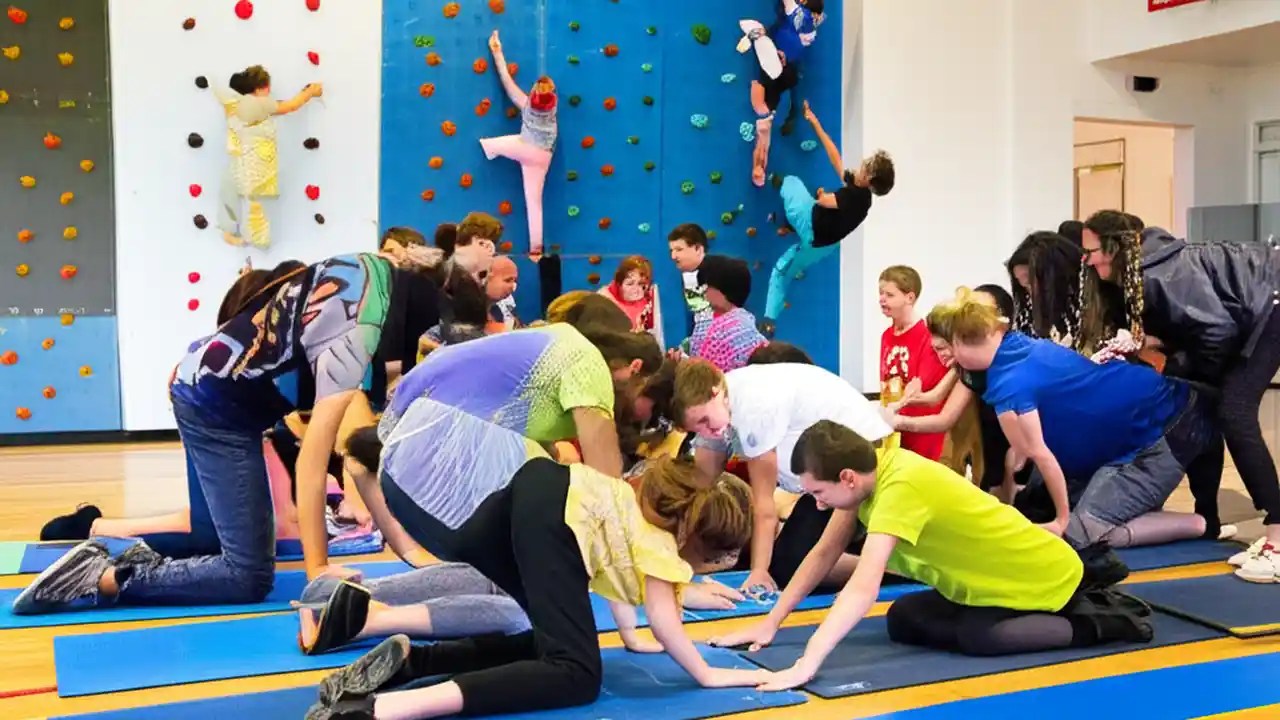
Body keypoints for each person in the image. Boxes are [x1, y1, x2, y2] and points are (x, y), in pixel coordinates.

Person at [17, 249, 450, 614]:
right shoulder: (356, 338)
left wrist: (411, 554)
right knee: (249, 576)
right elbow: (312, 464)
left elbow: (359, 462)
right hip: (217, 408)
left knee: (210, 537)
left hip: (204, 390)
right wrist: (318, 571)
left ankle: (99, 542)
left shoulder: (367, 286)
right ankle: (102, 578)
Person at [304, 456, 765, 718]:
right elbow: (666, 623)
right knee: (577, 675)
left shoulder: (638, 514)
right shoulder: (667, 549)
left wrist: (629, 639)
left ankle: (413, 660)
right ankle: (384, 710)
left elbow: (618, 592)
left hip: (527, 493)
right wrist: (708, 674)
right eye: (712, 562)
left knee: (553, 643)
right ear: (695, 542)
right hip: (546, 519)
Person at [708, 421, 1151, 691]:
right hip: (983, 582)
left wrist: (807, 662)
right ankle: (991, 617)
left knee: (983, 639)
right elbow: (823, 553)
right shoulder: (869, 477)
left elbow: (864, 583)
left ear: (845, 477)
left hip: (1040, 573)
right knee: (903, 618)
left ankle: (1098, 621)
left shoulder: (900, 488)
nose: (817, 503)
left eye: (819, 492)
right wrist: (769, 623)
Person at [927, 288, 1214, 549]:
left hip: (1165, 429)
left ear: (963, 342)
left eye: (946, 350)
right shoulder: (1013, 343)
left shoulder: (1010, 383)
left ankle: (1197, 524)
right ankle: (1123, 507)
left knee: (1079, 534)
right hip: (1132, 431)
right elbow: (1027, 451)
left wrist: (1063, 521)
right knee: (1037, 505)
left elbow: (1040, 454)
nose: (947, 360)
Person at [1080, 210, 1280, 582]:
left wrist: (1187, 364)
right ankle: (1214, 520)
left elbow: (1216, 331)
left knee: (1233, 410)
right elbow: (1200, 327)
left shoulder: (1157, 274)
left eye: (1091, 251)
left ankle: (1279, 538)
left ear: (1113, 247)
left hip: (1272, 301)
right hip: (1261, 300)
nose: (1087, 260)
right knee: (1205, 398)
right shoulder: (1148, 269)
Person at [673, 359, 893, 593]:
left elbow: (764, 504)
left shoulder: (753, 407)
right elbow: (700, 486)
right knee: (784, 561)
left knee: (790, 568)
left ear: (715, 392)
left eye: (705, 421)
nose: (707, 431)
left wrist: (759, 571)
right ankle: (872, 555)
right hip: (827, 474)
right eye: (698, 428)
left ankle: (892, 569)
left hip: (856, 469)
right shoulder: (719, 402)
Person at [763, 104, 893, 334]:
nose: (860, 165)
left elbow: (824, 201)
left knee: (792, 183)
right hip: (823, 245)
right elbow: (836, 160)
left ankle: (771, 179)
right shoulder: (862, 196)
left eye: (864, 166)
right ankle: (769, 320)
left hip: (810, 224)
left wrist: (822, 194)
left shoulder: (855, 196)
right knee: (783, 270)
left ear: (869, 176)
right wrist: (815, 123)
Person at [887, 284, 1015, 491]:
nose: (942, 356)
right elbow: (936, 399)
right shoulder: (964, 366)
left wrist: (898, 419)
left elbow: (943, 417)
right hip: (988, 433)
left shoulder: (998, 363)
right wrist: (902, 404)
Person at [213, 65, 322, 249]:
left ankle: (231, 232)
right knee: (256, 206)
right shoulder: (256, 103)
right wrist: (311, 92)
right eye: (267, 88)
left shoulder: (236, 104)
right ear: (258, 88)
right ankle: (257, 240)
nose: (269, 92)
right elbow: (290, 106)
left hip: (239, 162)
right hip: (255, 165)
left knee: (238, 200)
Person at [482, 30, 556, 257]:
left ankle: (490, 150)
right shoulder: (552, 110)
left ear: (533, 95)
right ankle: (536, 249)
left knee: (489, 144)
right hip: (543, 156)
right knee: (534, 203)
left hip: (524, 147)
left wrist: (497, 51)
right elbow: (545, 94)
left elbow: (506, 80)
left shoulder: (526, 105)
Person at [743, 0, 826, 186]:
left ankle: (760, 161)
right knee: (764, 119)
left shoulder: (800, 14)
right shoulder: (811, 25)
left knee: (761, 110)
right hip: (786, 68)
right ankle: (760, 164)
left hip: (777, 66)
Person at [877, 265, 948, 461]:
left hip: (920, 428)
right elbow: (886, 381)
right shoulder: (886, 336)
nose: (882, 299)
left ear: (909, 297)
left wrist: (898, 412)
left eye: (890, 294)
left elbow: (921, 387)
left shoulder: (926, 335)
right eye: (881, 293)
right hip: (894, 426)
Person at [688, 255, 768, 372]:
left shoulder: (740, 326)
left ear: (724, 289)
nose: (705, 290)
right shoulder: (704, 323)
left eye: (709, 286)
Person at [598, 255, 665, 349]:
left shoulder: (649, 301)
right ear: (619, 283)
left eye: (641, 285)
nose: (636, 290)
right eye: (630, 284)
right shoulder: (603, 301)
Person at [668, 223, 711, 348]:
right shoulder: (687, 276)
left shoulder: (721, 273)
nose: (673, 256)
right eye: (671, 251)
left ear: (698, 249)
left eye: (679, 250)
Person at [485, 256, 520, 332]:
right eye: (507, 280)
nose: (513, 287)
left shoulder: (504, 303)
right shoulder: (468, 313)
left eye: (515, 281)